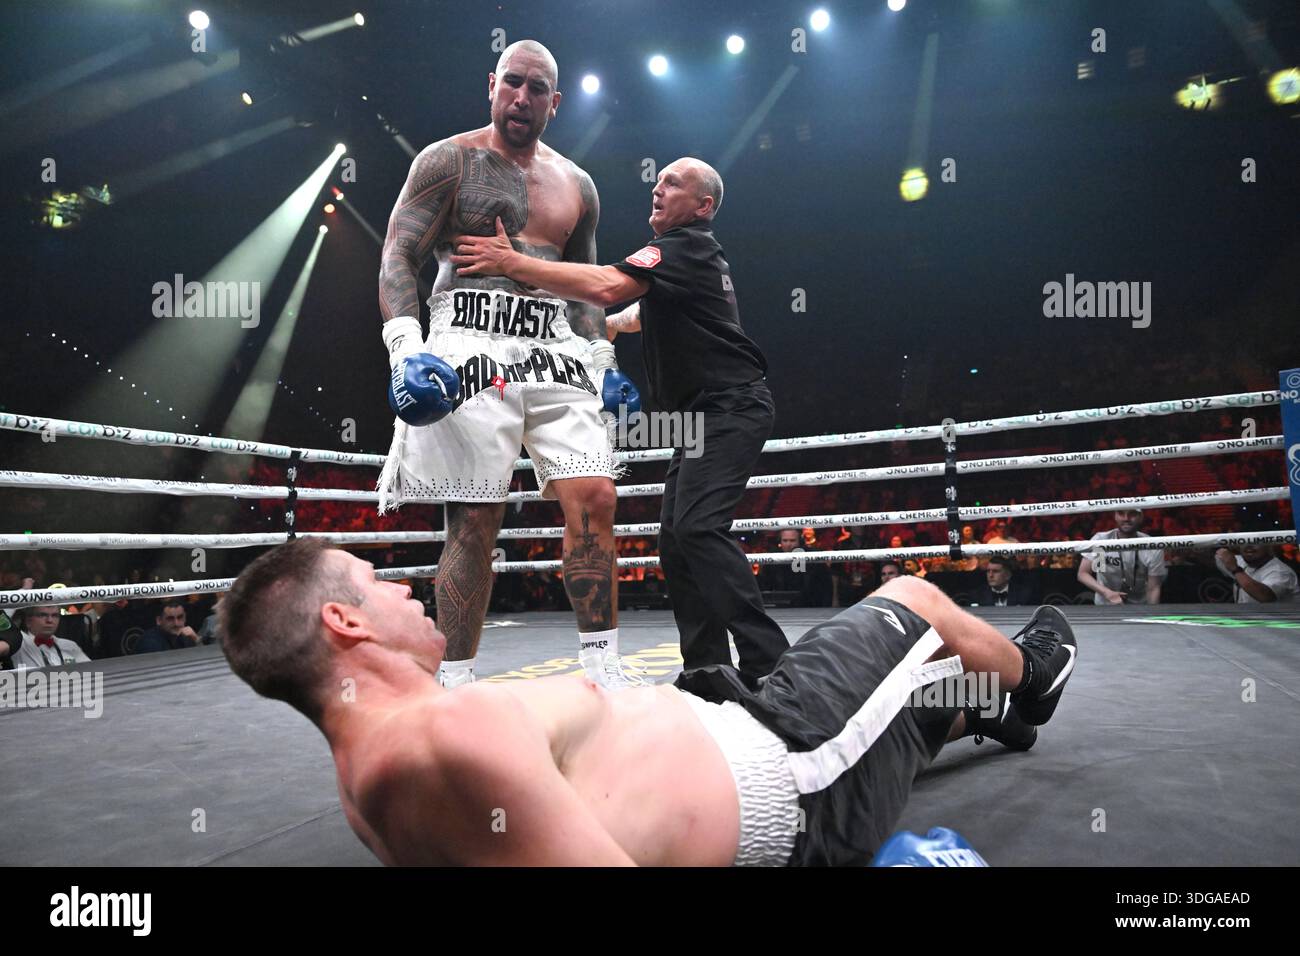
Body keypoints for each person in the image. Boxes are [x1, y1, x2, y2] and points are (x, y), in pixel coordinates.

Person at [219, 538, 1077, 866]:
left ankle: (999, 713)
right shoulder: (445, 735)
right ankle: (1038, 676)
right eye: (377, 585)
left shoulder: (365, 778)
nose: (408, 590)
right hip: (796, 774)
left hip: (753, 727)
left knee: (915, 708)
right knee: (916, 606)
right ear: (343, 621)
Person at [452, 156, 789, 681]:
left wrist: (514, 263)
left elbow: (609, 285)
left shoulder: (683, 246)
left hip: (730, 409)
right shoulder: (686, 262)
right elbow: (633, 311)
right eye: (657, 181)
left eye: (672, 184)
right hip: (701, 417)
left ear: (703, 206)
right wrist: (599, 332)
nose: (657, 189)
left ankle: (771, 662)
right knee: (676, 541)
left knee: (699, 528)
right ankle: (707, 669)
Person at [374, 40, 640, 688]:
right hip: (467, 337)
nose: (522, 97)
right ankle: (456, 680)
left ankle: (602, 670)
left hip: (554, 347)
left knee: (595, 494)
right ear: (493, 83)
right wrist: (406, 349)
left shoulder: (578, 184)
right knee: (473, 516)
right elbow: (398, 255)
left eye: (536, 87)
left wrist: (602, 359)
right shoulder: (449, 161)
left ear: (556, 100)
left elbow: (581, 285)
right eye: (512, 82)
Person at [1077, 508, 1166, 605]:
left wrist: (1152, 614)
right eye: (1121, 513)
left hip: (1139, 606)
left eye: (1132, 514)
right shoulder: (1102, 540)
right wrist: (1107, 593)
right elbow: (1083, 573)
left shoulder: (1152, 546)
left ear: (1140, 517)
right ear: (1115, 516)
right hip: (1105, 605)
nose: (1126, 518)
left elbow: (1153, 588)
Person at [8, 606, 91, 670]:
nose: (50, 620)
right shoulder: (18, 643)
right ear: (28, 621)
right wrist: (25, 590)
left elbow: (91, 670)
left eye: (55, 615)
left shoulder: (70, 645)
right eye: (43, 615)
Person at [1215, 543, 1297, 603]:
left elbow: (1265, 597)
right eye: (1243, 542)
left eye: (1256, 542)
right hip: (1249, 622)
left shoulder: (1280, 571)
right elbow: (1210, 557)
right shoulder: (1239, 561)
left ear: (1269, 547)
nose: (1248, 546)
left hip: (1279, 623)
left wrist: (1236, 569)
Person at [133, 600, 202, 654]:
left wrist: (196, 640)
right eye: (170, 618)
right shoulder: (149, 642)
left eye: (180, 617)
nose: (176, 623)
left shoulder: (187, 636)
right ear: (159, 620)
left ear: (185, 618)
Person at [972, 555, 1039, 607]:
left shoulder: (1024, 594)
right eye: (988, 571)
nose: (990, 575)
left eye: (995, 571)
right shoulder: (977, 595)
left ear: (1008, 575)